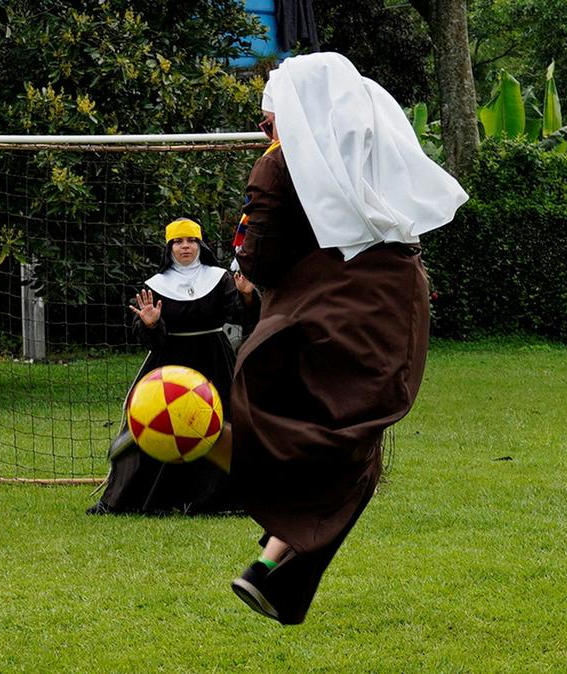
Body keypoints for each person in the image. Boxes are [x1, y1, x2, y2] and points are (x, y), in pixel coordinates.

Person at [224, 52, 469, 624]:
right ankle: (274, 570)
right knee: (357, 447)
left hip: (320, 317)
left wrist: (249, 268)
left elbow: (257, 254)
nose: (266, 130)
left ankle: (225, 470)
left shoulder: (278, 166)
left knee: (290, 419)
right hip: (393, 316)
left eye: (269, 118)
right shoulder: (373, 155)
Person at [87, 218, 258, 515]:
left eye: (190, 241)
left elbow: (245, 319)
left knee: (225, 425)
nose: (185, 247)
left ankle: (224, 499)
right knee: (154, 427)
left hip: (215, 363)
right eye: (178, 242)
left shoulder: (221, 279)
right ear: (169, 248)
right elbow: (150, 339)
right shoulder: (155, 286)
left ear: (200, 245)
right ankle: (142, 498)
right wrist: (151, 323)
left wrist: (245, 294)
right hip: (168, 366)